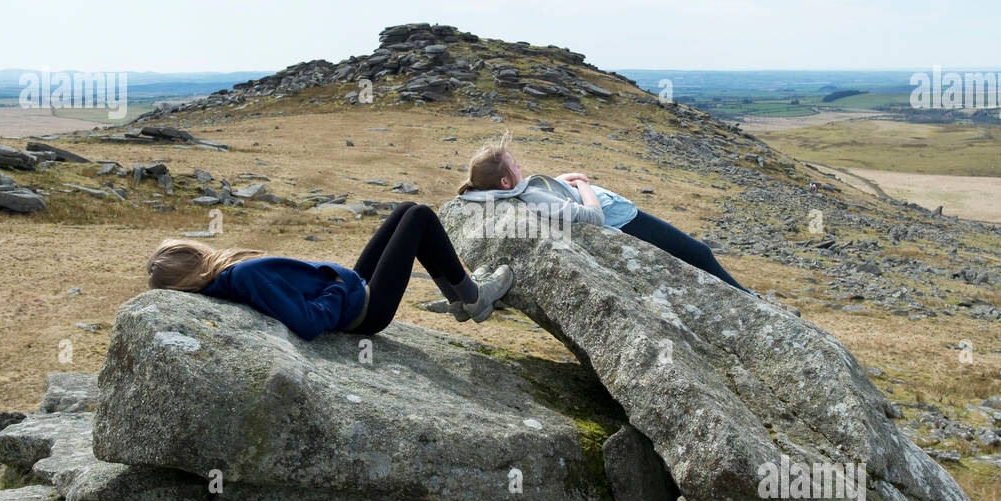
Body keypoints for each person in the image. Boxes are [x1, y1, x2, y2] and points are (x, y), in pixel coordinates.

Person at [145, 201, 514, 338]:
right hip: (365, 309)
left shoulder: (228, 280)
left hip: (353, 293)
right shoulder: (243, 275)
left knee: (405, 210)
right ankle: (474, 299)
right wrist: (338, 283)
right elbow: (308, 322)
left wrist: (338, 281)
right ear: (196, 258)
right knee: (419, 217)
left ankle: (459, 298)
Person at [456, 132, 756, 295]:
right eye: (515, 165)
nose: (520, 165)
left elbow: (545, 197)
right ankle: (746, 297)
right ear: (505, 181)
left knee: (694, 255)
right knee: (699, 253)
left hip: (621, 214)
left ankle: (743, 294)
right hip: (623, 220)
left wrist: (561, 182)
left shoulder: (511, 191)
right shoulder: (529, 195)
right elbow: (592, 217)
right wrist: (584, 184)